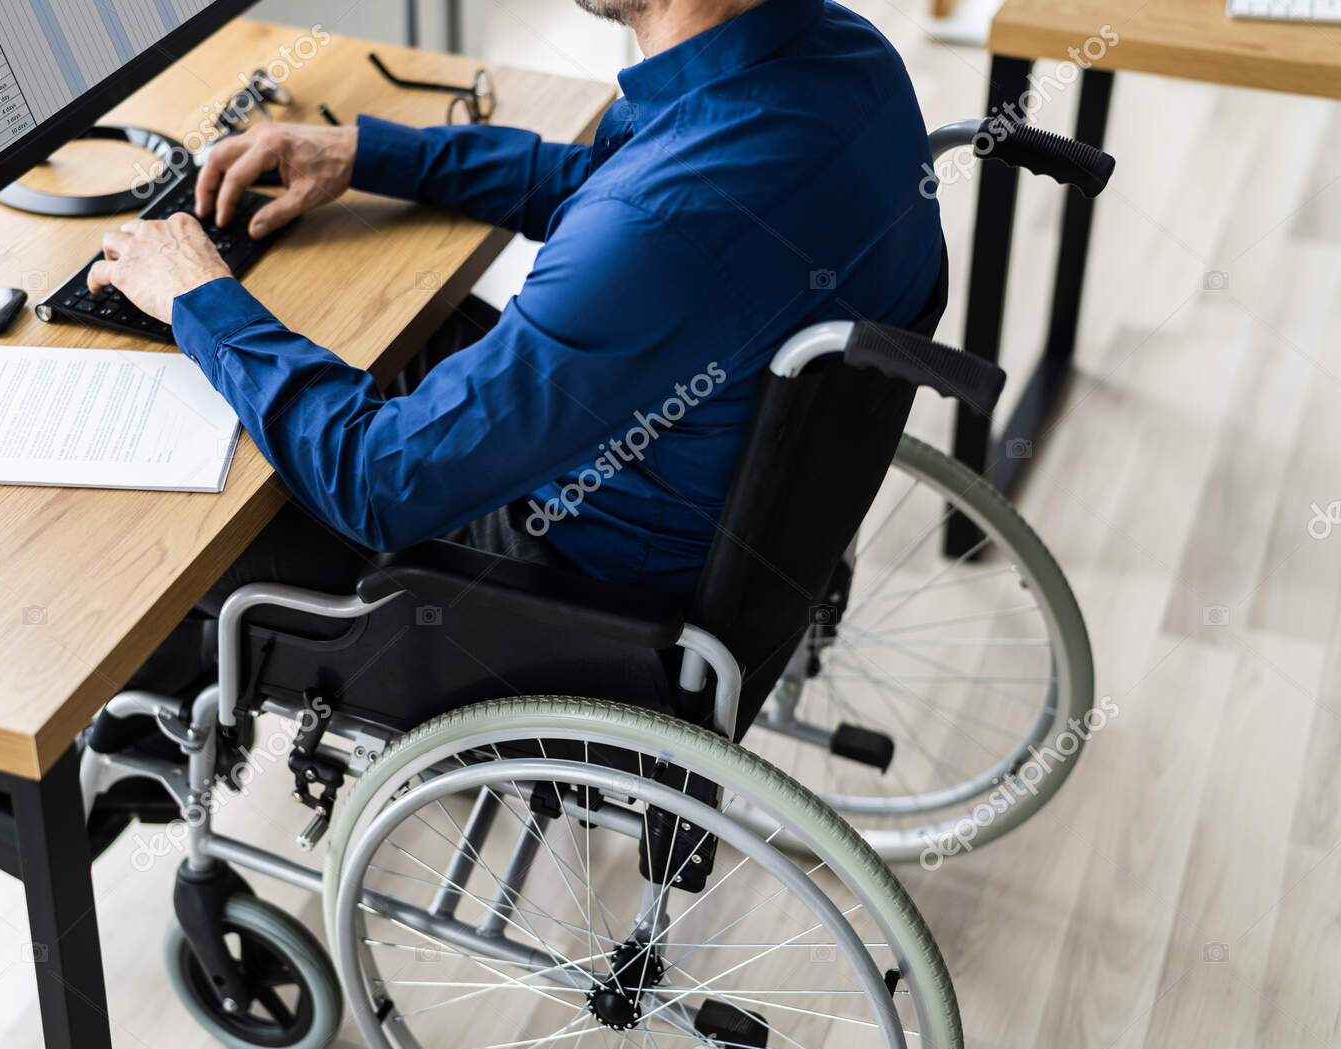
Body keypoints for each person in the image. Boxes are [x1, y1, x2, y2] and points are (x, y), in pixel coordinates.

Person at [88, 0, 945, 609]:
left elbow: (381, 482)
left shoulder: (661, 222)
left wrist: (202, 298)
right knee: (392, 340)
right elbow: (614, 196)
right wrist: (366, 153)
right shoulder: (845, 54)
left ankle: (93, 783)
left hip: (563, 591)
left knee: (173, 522)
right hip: (719, 512)